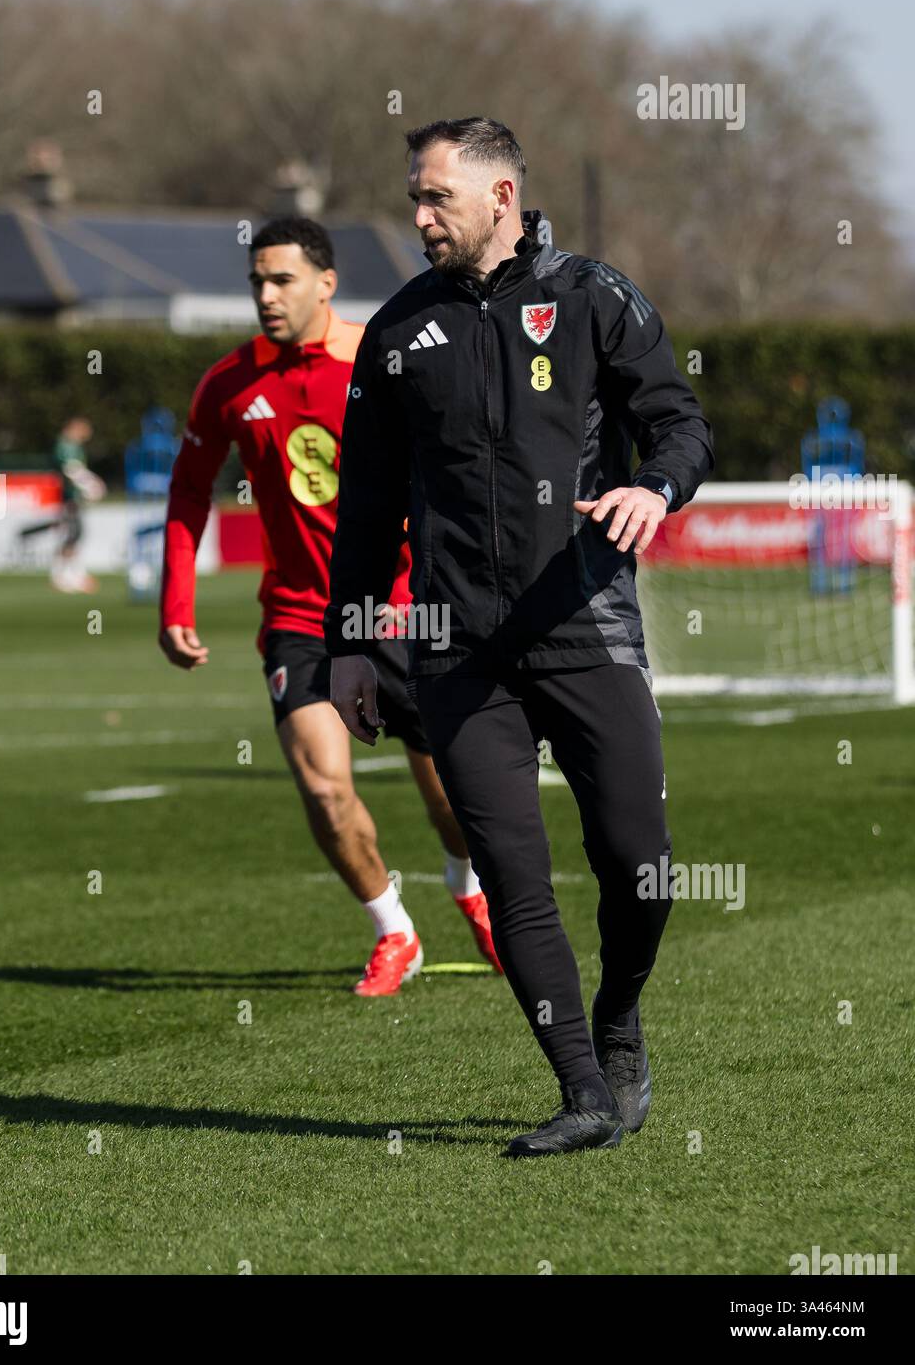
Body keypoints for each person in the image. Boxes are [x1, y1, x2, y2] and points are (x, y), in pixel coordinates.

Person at [325, 119, 714, 1153]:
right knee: (512, 872)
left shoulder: (593, 296)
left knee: (641, 863)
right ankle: (585, 1090)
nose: (417, 217)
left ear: (500, 196)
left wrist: (653, 485)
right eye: (414, 195)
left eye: (434, 198)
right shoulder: (397, 332)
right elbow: (365, 509)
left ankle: (619, 1013)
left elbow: (679, 421)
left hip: (584, 622)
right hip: (456, 651)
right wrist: (352, 643)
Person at [159, 216, 500, 996]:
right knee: (322, 784)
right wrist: (174, 602)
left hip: (407, 608)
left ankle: (466, 883)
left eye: (281, 280)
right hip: (300, 616)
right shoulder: (227, 383)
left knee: (450, 792)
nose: (266, 296)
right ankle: (393, 929)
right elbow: (186, 493)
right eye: (256, 282)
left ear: (325, 283)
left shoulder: (380, 360)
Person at [50, 416, 105, 593]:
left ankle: (72, 574)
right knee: (72, 534)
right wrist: (91, 486)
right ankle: (62, 574)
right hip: (68, 498)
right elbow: (71, 470)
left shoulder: (72, 447)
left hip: (73, 498)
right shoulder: (66, 446)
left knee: (75, 535)